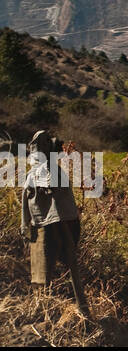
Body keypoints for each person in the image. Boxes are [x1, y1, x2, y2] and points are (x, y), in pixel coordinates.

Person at [21, 130, 91, 318]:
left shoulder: (44, 171)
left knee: (58, 263)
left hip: (58, 220)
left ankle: (73, 309)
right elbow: (27, 201)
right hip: (48, 222)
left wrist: (25, 224)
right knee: (45, 266)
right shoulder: (40, 171)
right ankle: (45, 308)